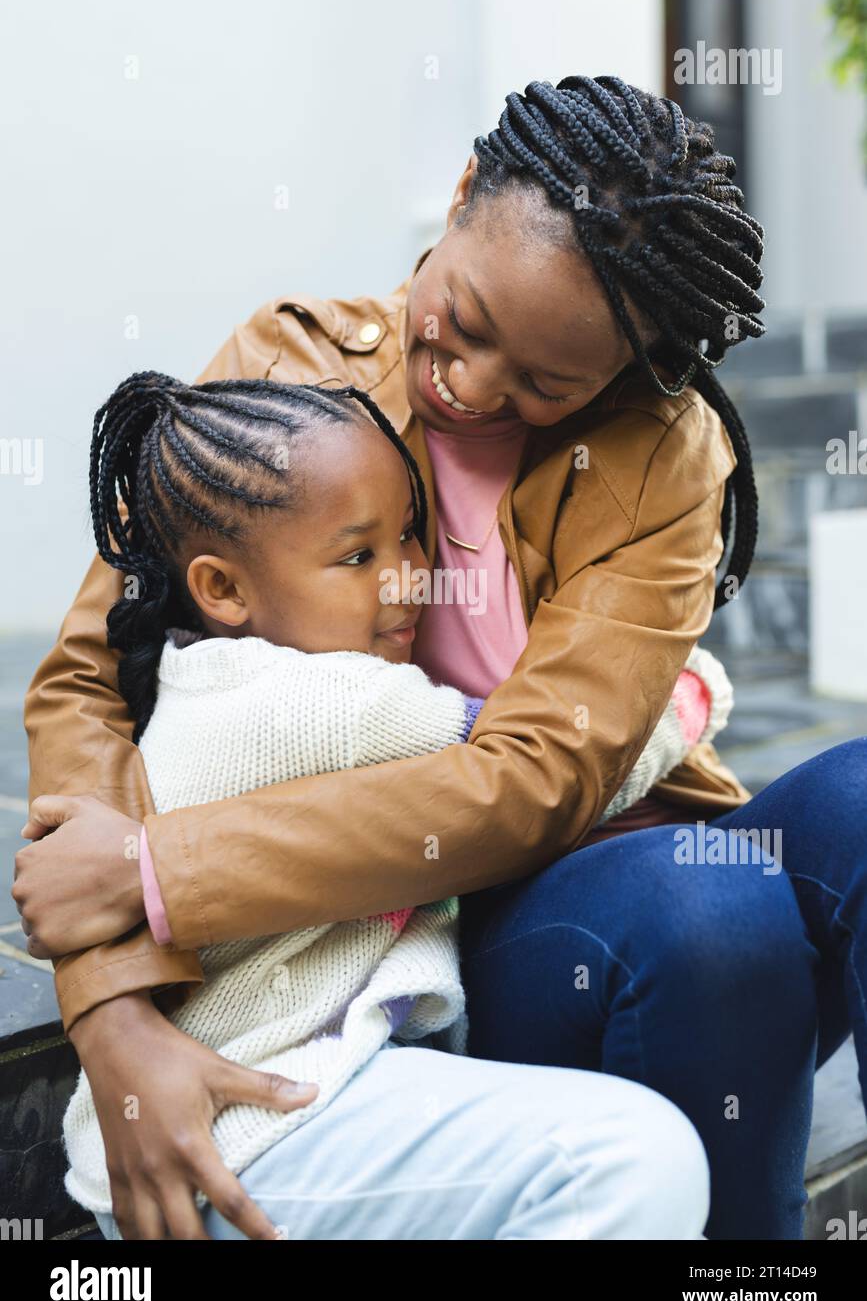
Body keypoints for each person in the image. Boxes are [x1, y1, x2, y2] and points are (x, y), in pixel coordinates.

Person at [16, 76, 867, 1239]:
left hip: (588, 879)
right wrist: (114, 1014)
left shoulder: (669, 450)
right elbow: (87, 676)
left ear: (627, 367)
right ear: (463, 192)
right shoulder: (288, 365)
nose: (468, 386)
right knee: (716, 908)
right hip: (402, 933)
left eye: (545, 383)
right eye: (463, 323)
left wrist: (168, 865)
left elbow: (539, 777)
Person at [67, 368, 723, 1241]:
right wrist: (692, 693)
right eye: (358, 557)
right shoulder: (329, 704)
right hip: (258, 1134)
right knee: (629, 1160)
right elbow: (563, 761)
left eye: (411, 537)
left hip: (248, 1126)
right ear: (223, 590)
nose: (410, 578)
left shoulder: (203, 681)